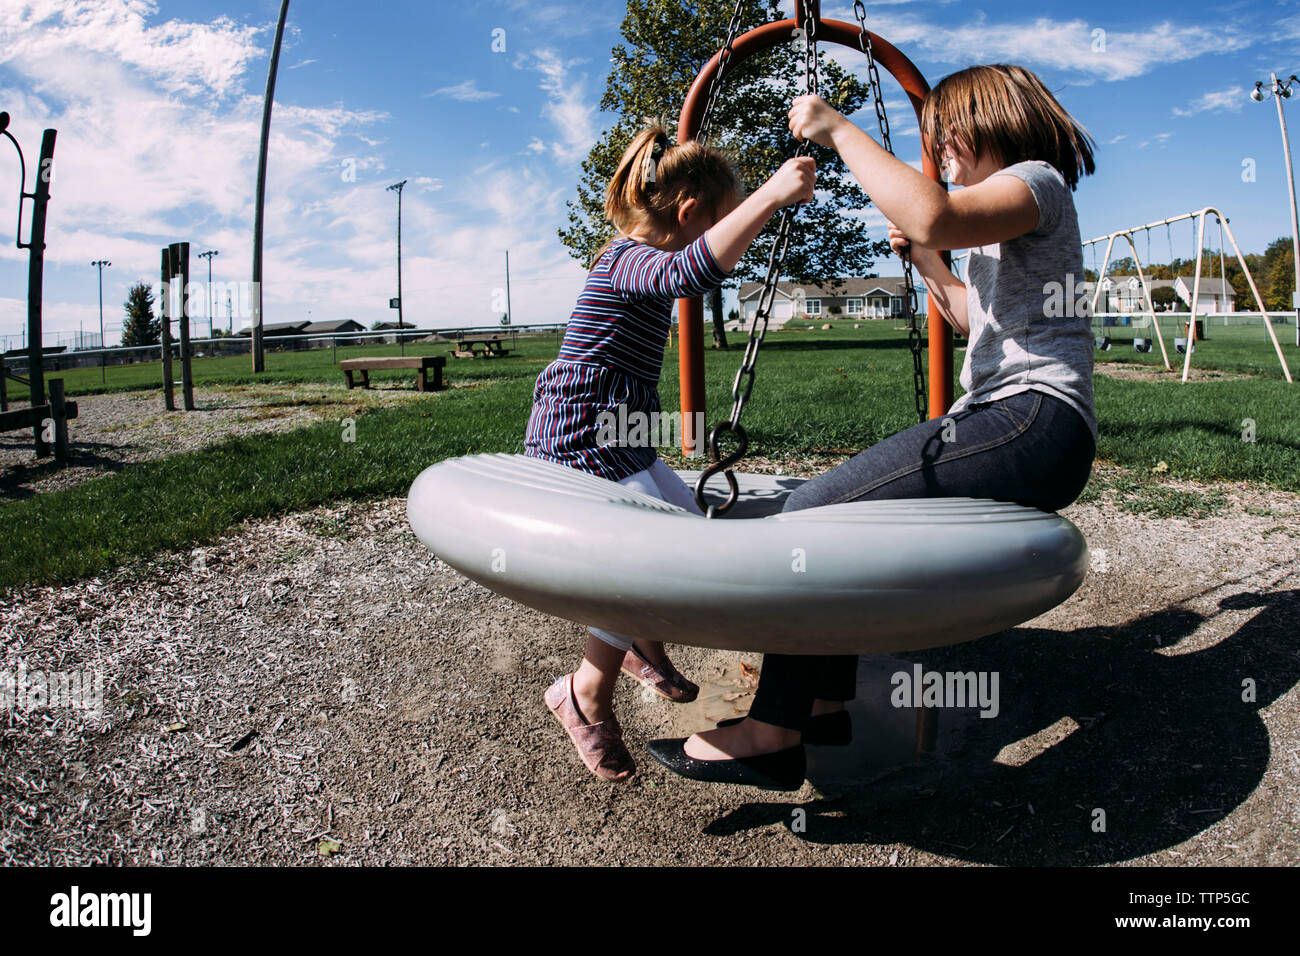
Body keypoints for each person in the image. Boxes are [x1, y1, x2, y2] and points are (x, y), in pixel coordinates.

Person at [647, 64, 1099, 791]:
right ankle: (821, 701)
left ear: (993, 119)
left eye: (945, 137)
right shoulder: (1003, 216)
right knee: (843, 519)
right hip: (1021, 421)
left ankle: (774, 732)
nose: (939, 154)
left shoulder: (1037, 179)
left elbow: (934, 214)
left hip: (1032, 416)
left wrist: (833, 126)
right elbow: (968, 316)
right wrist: (926, 261)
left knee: (807, 516)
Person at [529, 125, 816, 781]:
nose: (724, 241)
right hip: (581, 434)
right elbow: (695, 270)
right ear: (690, 212)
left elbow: (693, 266)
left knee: (685, 531)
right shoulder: (627, 259)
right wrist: (771, 194)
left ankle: (642, 648)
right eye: (716, 220)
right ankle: (582, 693)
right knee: (652, 564)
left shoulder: (637, 260)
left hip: (615, 431)